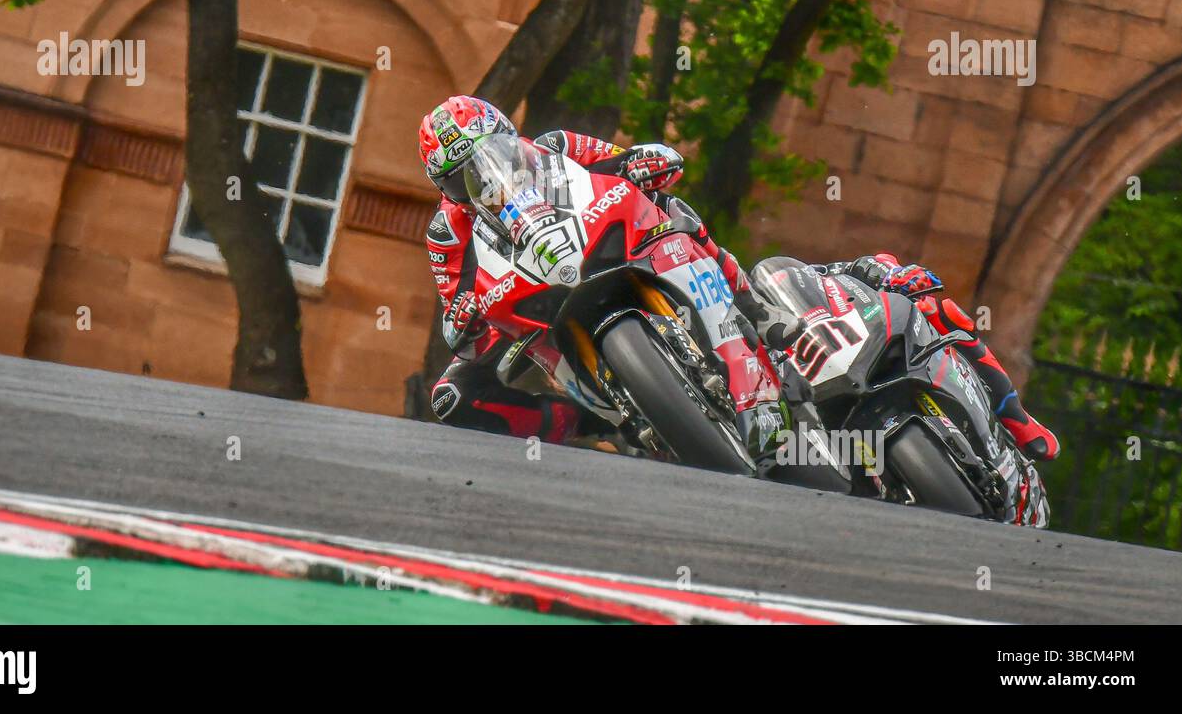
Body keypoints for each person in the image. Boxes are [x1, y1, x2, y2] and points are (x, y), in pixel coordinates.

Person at [418, 94, 773, 445]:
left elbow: (617, 161)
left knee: (662, 202)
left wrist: (638, 163)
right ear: (444, 188)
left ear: (509, 137)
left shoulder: (554, 146)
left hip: (597, 241)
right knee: (451, 396)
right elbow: (457, 312)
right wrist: (465, 315)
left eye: (490, 154)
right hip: (523, 295)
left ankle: (752, 304)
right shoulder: (446, 231)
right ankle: (582, 420)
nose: (482, 178)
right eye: (459, 177)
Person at [748, 254, 1060, 461]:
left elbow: (870, 265)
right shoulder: (753, 327)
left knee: (939, 311)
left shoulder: (811, 277)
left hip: (865, 345)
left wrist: (894, 274)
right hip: (815, 392)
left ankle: (1017, 418)